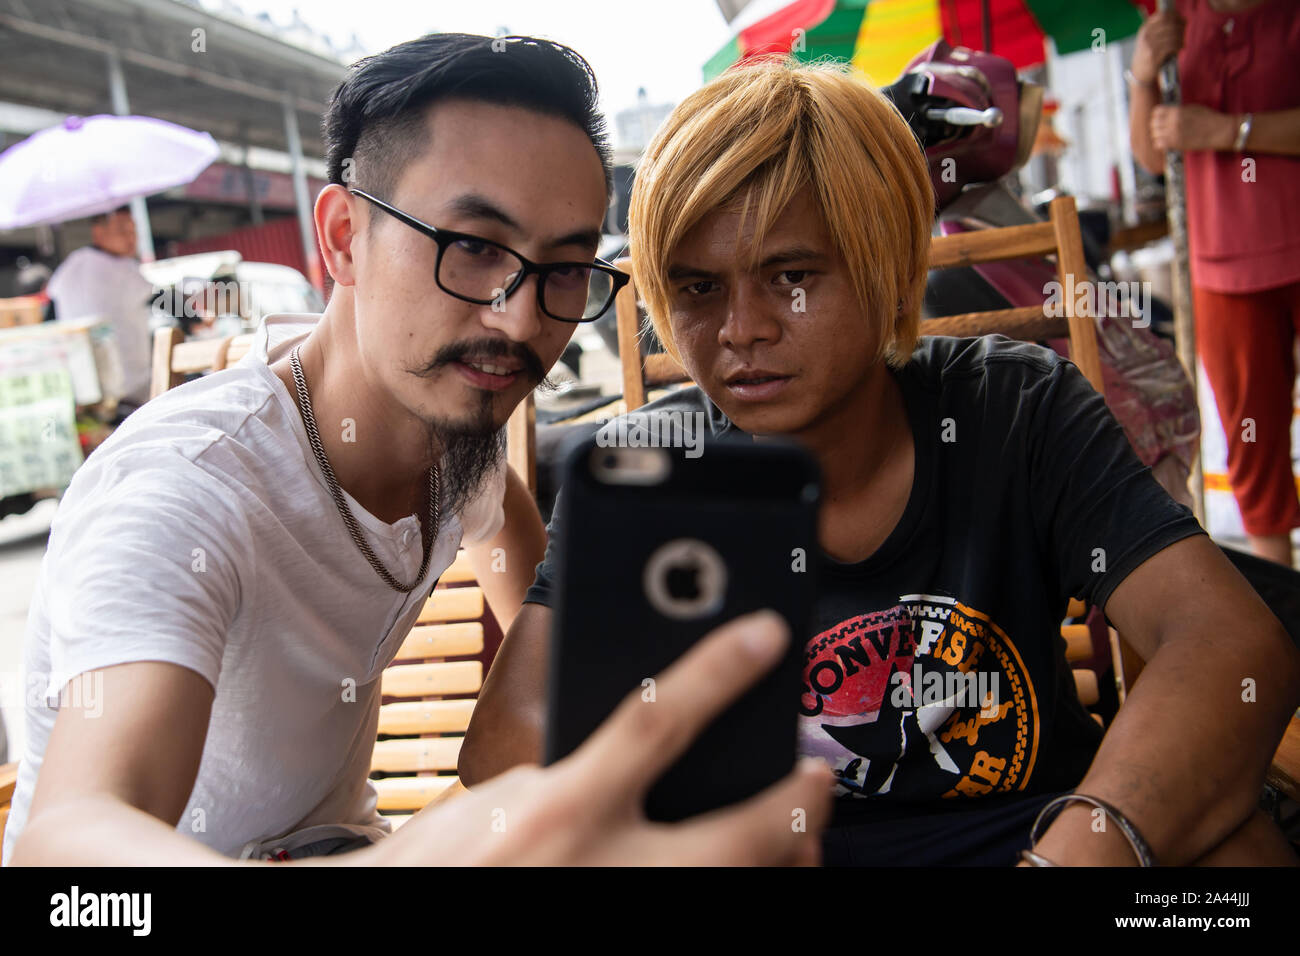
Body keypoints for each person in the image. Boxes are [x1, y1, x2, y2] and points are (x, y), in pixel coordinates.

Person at [3, 34, 831, 867]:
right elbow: (66, 848)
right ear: (342, 238)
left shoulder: (450, 427)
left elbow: (507, 526)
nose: (518, 320)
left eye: (568, 267)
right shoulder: (184, 493)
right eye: (471, 246)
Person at [462, 59, 1300, 866]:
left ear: (890, 271)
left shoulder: (1015, 409)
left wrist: (1083, 851)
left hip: (1027, 834)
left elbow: (1227, 642)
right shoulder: (647, 463)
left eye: (792, 278)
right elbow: (503, 745)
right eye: (698, 288)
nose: (740, 329)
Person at [1128, 0, 1300, 567]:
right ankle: (1286, 616)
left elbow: (1205, 131)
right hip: (1222, 265)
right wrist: (1146, 74)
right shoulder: (1176, 16)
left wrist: (1228, 130)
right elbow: (1154, 153)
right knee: (1254, 450)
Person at [45, 206, 155, 416]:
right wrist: (193, 317)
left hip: (95, 387)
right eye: (123, 230)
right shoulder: (91, 266)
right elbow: (162, 298)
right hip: (118, 387)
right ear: (98, 232)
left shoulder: (75, 265)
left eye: (133, 231)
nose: (131, 238)